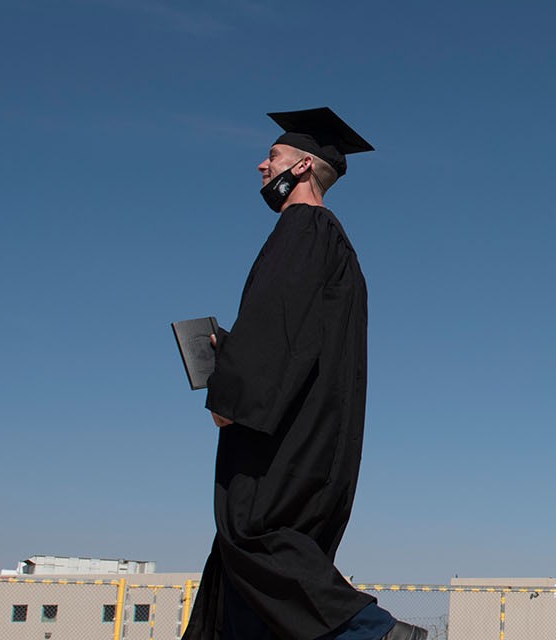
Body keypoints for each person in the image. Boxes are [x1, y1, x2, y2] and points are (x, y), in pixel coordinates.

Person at [183, 108, 424, 640]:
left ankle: (372, 633)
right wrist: (234, 348)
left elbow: (279, 322)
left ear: (305, 165)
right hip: (315, 433)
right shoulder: (334, 243)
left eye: (273, 156)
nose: (261, 166)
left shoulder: (304, 228)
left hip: (278, 434)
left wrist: (230, 395)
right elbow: (297, 333)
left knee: (254, 533)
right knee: (245, 574)